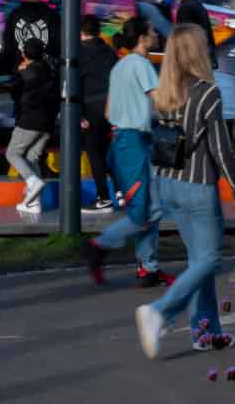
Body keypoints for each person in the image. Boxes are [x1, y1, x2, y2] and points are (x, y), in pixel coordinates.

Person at [134, 25, 235, 359]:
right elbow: (221, 149)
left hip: (166, 182)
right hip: (197, 185)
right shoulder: (207, 92)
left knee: (200, 260)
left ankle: (206, 331)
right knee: (209, 258)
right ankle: (160, 311)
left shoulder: (163, 92)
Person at [82, 18, 166, 288]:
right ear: (142, 37)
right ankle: (99, 244)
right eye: (152, 31)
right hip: (134, 141)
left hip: (121, 140)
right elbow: (161, 100)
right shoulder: (142, 65)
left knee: (151, 206)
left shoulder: (119, 67)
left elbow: (108, 111)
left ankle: (148, 268)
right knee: (143, 211)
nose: (155, 34)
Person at [7, 36, 58, 215]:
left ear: (24, 54)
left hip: (29, 120)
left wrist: (19, 72)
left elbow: (14, 92)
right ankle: (34, 203)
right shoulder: (50, 69)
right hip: (48, 123)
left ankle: (32, 181)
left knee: (12, 153)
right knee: (32, 157)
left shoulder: (25, 72)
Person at [74, 13, 120, 210]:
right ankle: (120, 189)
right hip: (111, 108)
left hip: (90, 110)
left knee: (95, 154)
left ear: (81, 32)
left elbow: (75, 85)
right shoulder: (109, 52)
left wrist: (80, 114)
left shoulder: (78, 54)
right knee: (109, 153)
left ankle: (103, 197)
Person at [174, 0, 217, 66]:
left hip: (193, 61)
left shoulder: (186, 7)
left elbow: (184, 39)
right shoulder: (196, 4)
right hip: (202, 60)